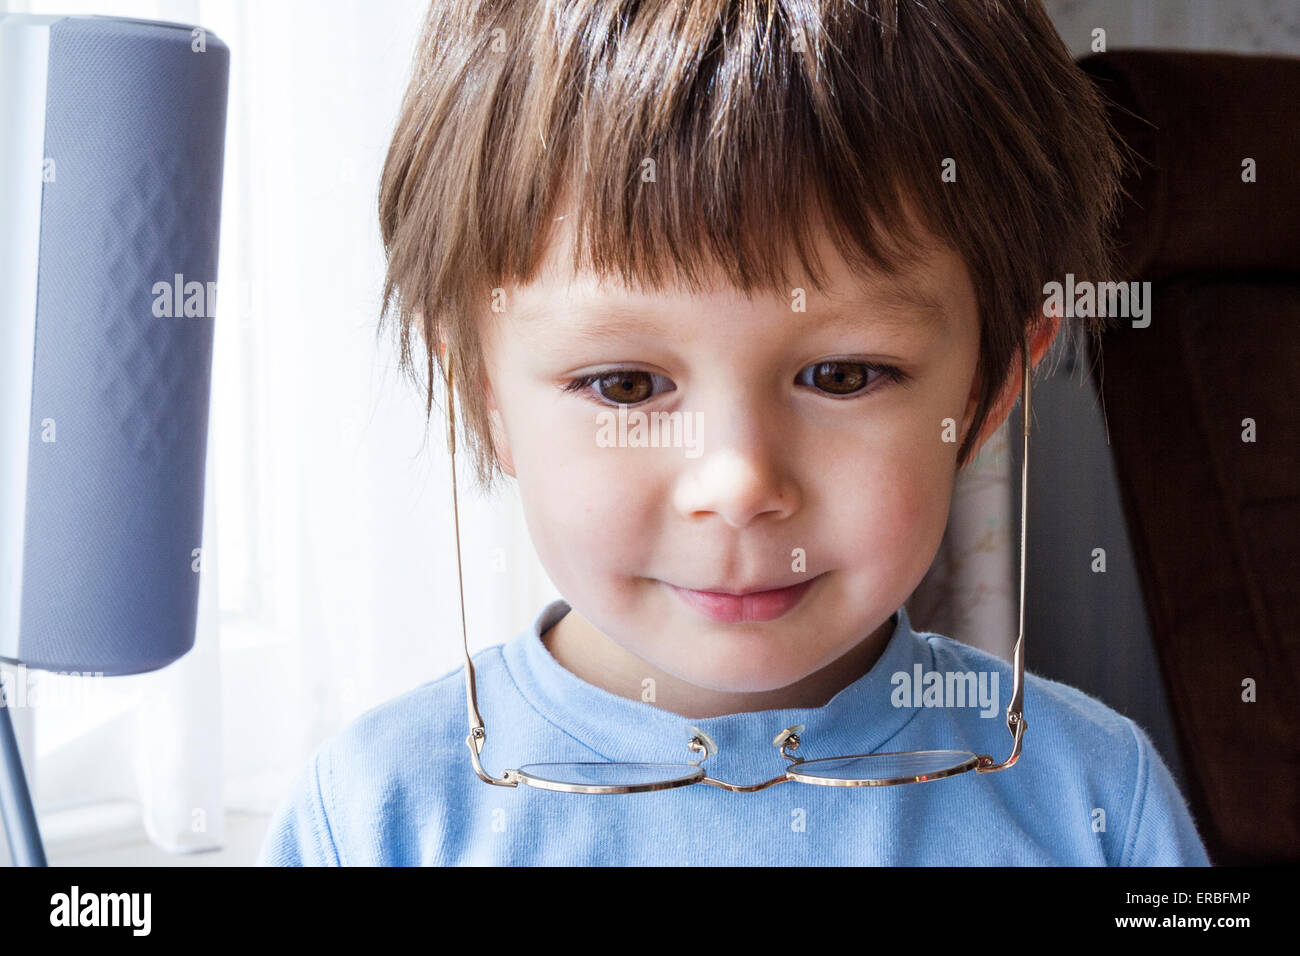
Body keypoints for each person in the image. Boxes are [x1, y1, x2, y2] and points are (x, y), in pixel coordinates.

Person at [257, 0, 1210, 865]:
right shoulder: (375, 819)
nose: (740, 481)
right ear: (485, 390)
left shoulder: (1093, 806)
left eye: (842, 376)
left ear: (995, 382)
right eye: (625, 384)